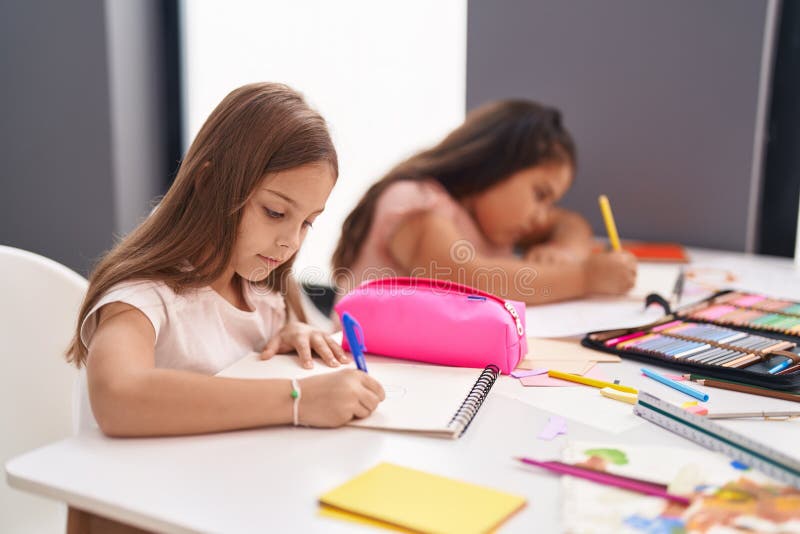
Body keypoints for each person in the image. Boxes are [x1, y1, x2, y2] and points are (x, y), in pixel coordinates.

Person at [66, 82, 384, 437]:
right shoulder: (143, 295)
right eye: (275, 212)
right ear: (208, 183)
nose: (291, 242)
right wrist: (297, 399)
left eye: (307, 222)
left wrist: (296, 332)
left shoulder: (263, 290)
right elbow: (117, 396)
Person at [332, 99, 636, 304]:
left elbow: (569, 222)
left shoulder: (489, 219)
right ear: (497, 164)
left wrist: (564, 250)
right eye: (540, 195)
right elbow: (469, 278)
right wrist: (584, 276)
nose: (541, 217)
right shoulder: (417, 202)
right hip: (364, 370)